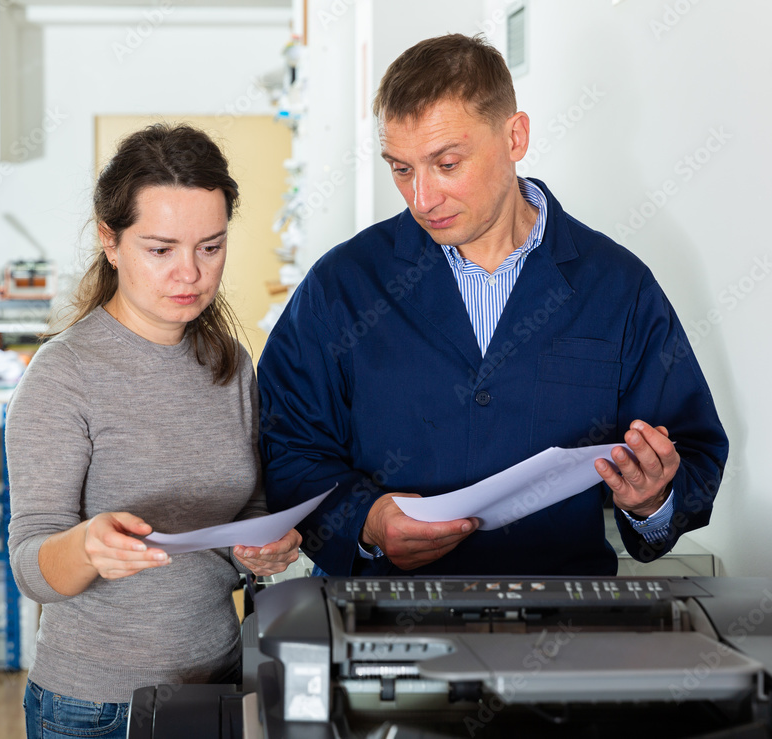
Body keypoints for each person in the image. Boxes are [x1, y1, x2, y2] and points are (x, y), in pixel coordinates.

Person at [257, 34, 728, 578]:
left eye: (447, 163)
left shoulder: (619, 287)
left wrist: (653, 500)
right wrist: (364, 520)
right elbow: (284, 446)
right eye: (402, 169)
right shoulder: (342, 285)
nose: (422, 199)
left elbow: (690, 448)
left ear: (514, 137)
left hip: (556, 611)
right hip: (375, 608)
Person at [7, 123, 301, 739]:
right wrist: (87, 546)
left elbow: (247, 506)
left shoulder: (230, 362)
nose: (189, 273)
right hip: (96, 707)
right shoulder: (64, 373)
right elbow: (32, 567)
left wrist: (261, 549)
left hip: (221, 679)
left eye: (210, 247)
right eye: (161, 250)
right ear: (110, 241)